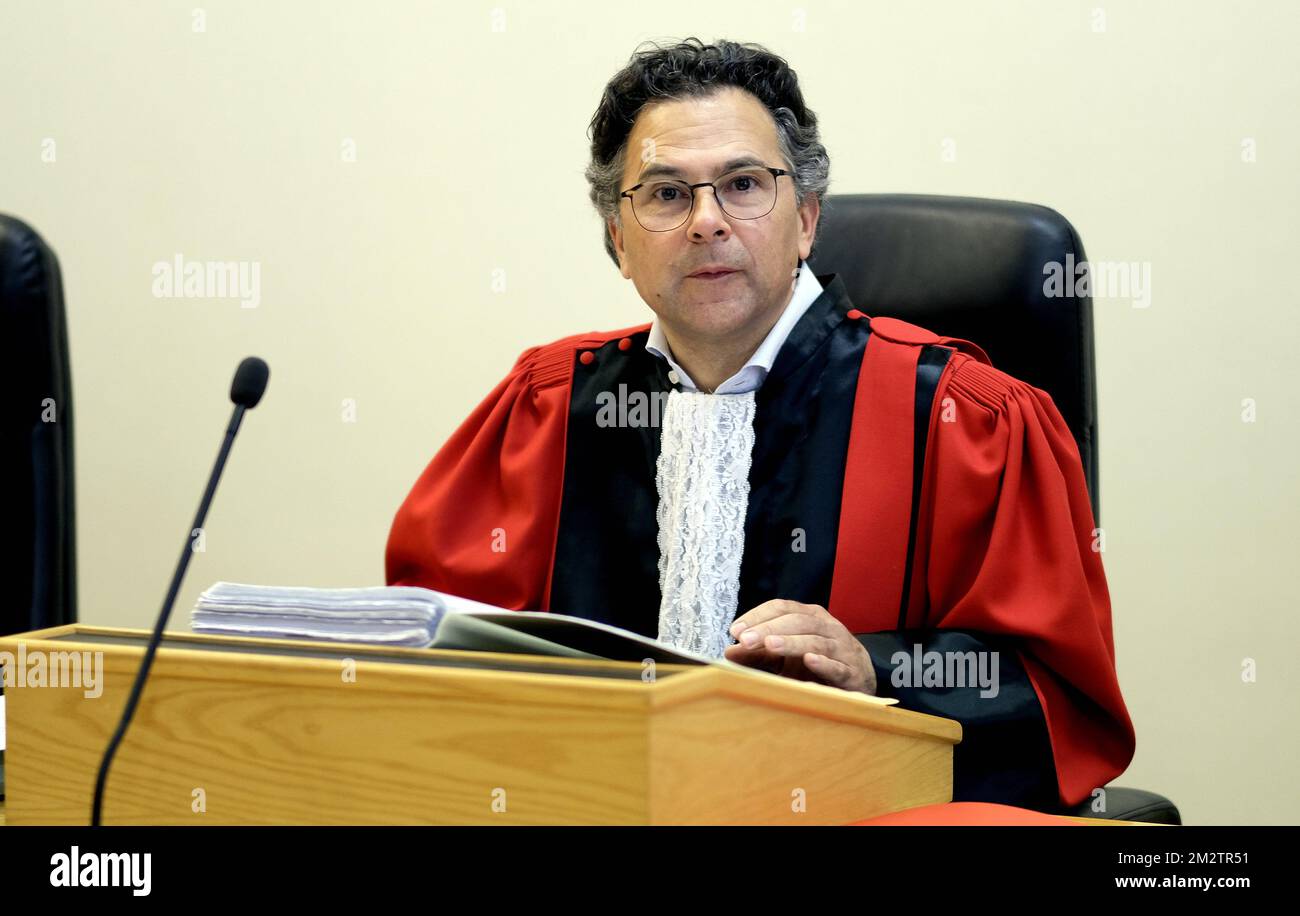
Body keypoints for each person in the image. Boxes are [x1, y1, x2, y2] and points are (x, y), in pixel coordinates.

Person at [385, 38, 1135, 813]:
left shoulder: (968, 418)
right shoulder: (543, 410)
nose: (707, 222)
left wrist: (876, 668)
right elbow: (430, 653)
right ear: (619, 239)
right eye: (668, 195)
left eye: (743, 184)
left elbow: (1059, 702)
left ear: (807, 219)